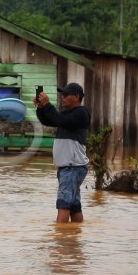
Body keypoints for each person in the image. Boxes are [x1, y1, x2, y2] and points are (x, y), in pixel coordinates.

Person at [35, 82, 91, 223]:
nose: (62, 97)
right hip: (70, 167)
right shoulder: (68, 114)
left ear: (76, 97)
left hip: (72, 167)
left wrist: (47, 105)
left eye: (66, 95)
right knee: (74, 206)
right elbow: (49, 121)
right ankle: (74, 236)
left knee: (63, 205)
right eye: (62, 95)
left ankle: (61, 240)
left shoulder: (81, 113)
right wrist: (41, 108)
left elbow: (59, 119)